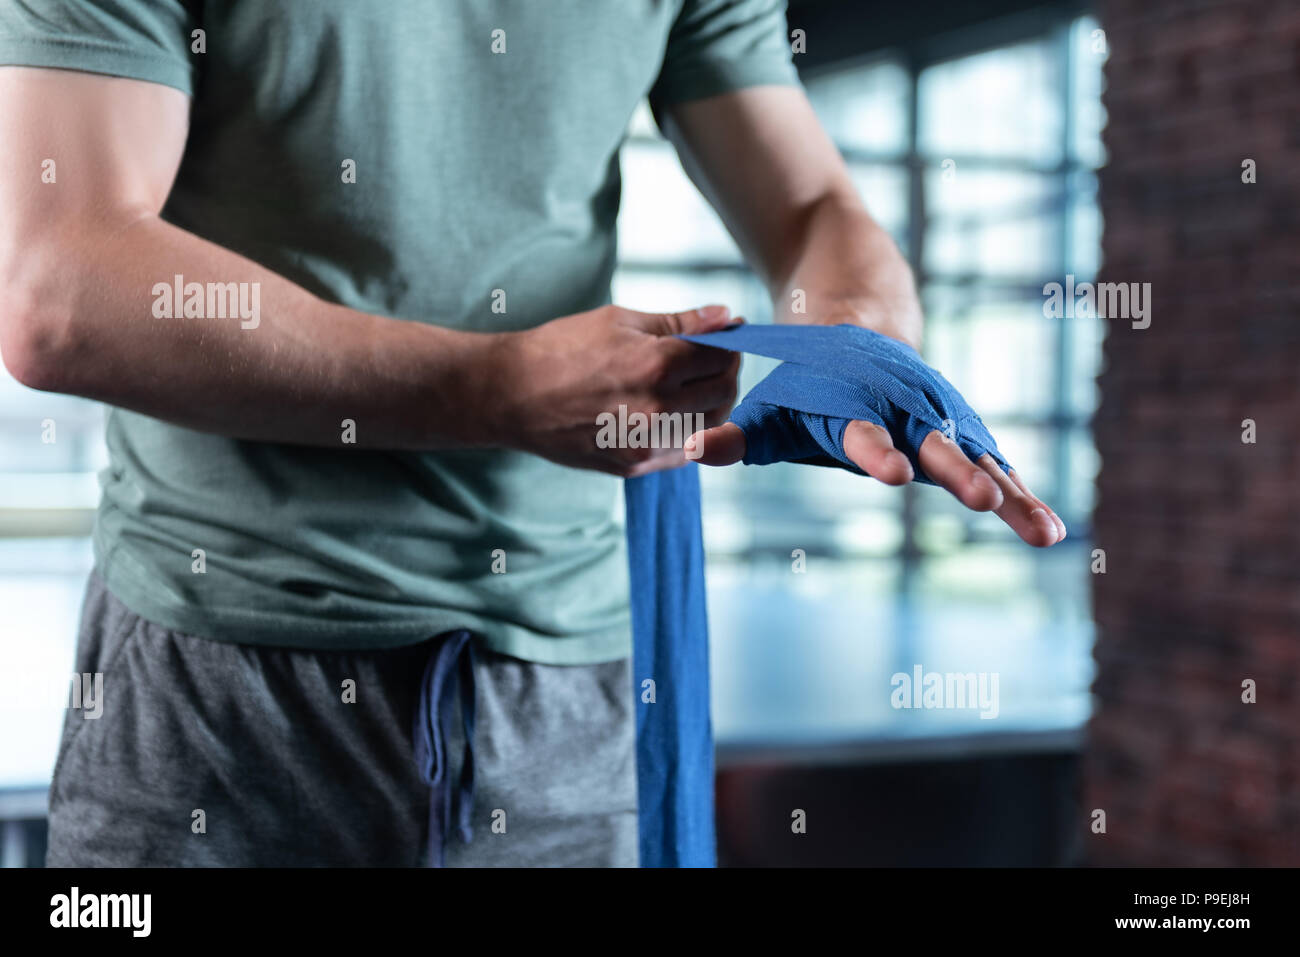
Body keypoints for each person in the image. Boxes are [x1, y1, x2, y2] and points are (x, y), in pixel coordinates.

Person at [0, 0, 1065, 867]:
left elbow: (812, 207)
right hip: (220, 685)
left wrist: (856, 354)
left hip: (572, 680)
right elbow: (64, 286)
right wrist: (494, 389)